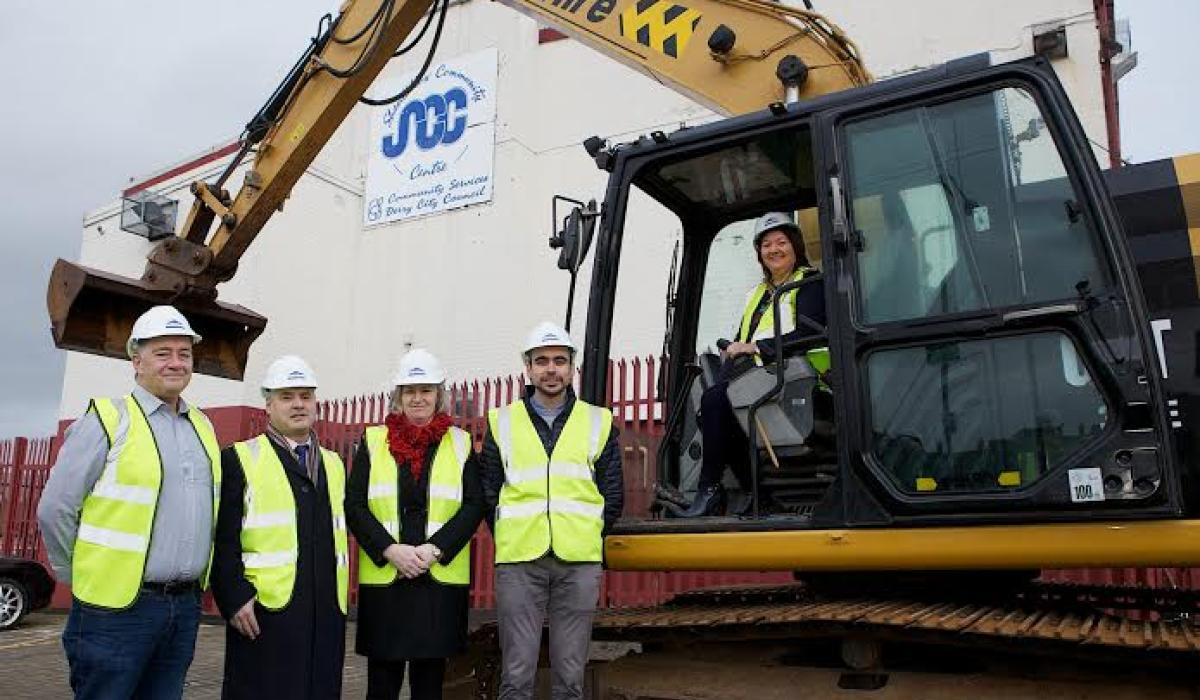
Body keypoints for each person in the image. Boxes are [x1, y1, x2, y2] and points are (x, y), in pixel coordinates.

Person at [37, 305, 221, 699]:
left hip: (183, 607)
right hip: (114, 611)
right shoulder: (108, 419)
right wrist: (78, 574)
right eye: (163, 353)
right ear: (136, 360)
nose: (176, 362)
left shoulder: (202, 426)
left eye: (184, 353)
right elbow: (55, 510)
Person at [479, 321, 624, 700]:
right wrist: (511, 533)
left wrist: (588, 534)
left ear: (572, 367)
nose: (551, 369)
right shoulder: (502, 421)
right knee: (516, 674)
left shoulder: (598, 420)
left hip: (578, 561)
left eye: (559, 360)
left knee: (570, 676)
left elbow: (612, 491)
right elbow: (489, 489)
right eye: (541, 361)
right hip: (520, 561)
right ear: (527, 368)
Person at [345, 348, 485, 700]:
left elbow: (474, 504)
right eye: (410, 391)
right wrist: (389, 550)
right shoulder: (373, 440)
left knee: (429, 685)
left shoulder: (460, 442)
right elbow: (355, 505)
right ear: (399, 396)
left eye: (425, 390)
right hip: (387, 579)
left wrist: (435, 548)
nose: (418, 398)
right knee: (381, 685)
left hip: (436, 579)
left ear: (439, 394)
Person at [210, 355, 349, 699]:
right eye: (287, 397)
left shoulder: (333, 464)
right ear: (268, 405)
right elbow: (221, 538)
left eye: (306, 396)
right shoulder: (239, 459)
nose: (298, 404)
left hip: (325, 611)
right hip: (262, 612)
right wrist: (233, 598)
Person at [683, 211, 828, 516]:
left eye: (781, 242)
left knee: (717, 403)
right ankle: (754, 492)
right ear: (759, 254)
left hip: (801, 379)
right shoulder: (758, 294)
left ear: (796, 247)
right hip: (761, 377)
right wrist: (733, 351)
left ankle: (711, 488)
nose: (774, 249)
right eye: (766, 245)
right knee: (713, 403)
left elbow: (808, 334)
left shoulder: (811, 283)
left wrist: (755, 347)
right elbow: (744, 337)